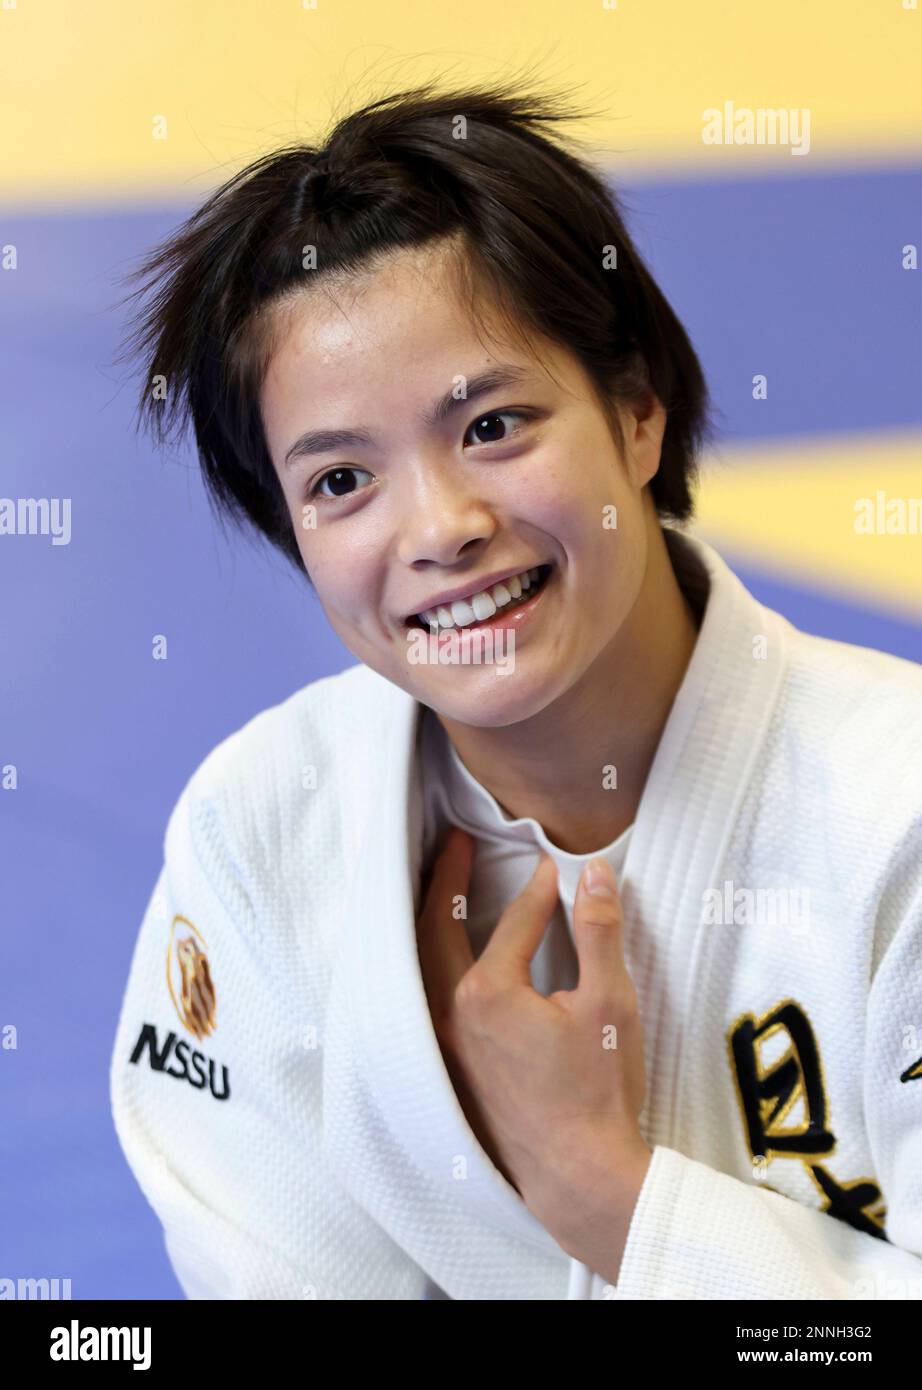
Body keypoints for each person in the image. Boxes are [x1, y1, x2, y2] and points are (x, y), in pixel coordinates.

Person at [109, 79, 922, 1300]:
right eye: (339, 482)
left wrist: (611, 1196)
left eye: (492, 424)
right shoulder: (260, 832)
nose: (441, 528)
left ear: (637, 414)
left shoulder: (892, 812)